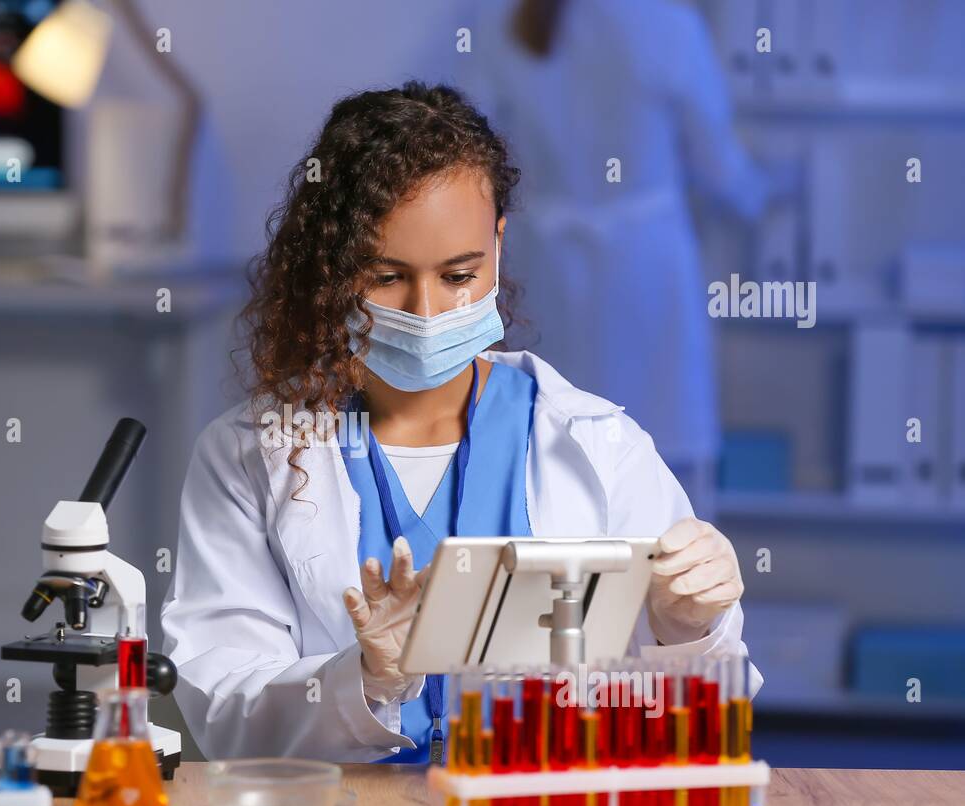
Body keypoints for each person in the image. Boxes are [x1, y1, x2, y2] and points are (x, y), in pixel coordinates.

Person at [162, 83, 758, 763]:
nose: (426, 311)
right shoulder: (250, 458)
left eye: (458, 275)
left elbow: (696, 732)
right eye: (385, 277)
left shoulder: (599, 446)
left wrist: (687, 632)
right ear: (333, 271)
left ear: (497, 247)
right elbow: (224, 710)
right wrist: (363, 679)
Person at [460, 0, 775, 515]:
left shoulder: (504, 22)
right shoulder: (667, 25)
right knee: (663, 456)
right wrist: (769, 192)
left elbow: (472, 150)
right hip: (644, 270)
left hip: (546, 269)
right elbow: (721, 169)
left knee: (550, 454)